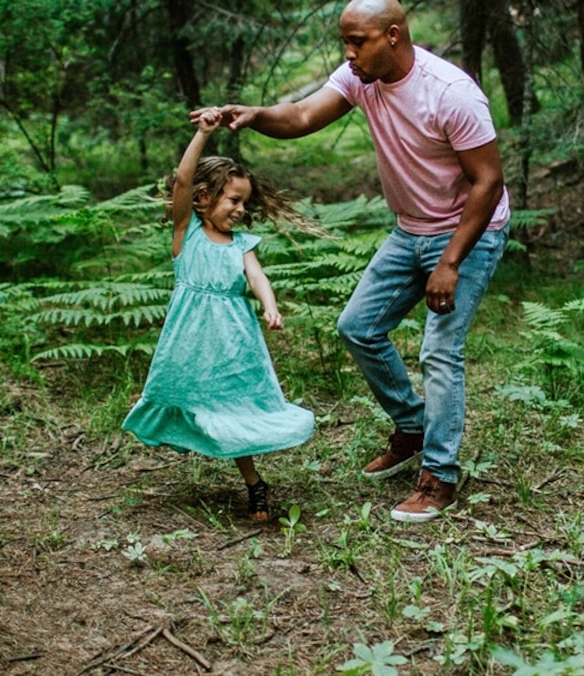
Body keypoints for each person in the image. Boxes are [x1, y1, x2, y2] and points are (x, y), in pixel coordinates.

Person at [209, 0, 510, 522]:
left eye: (357, 42)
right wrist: (256, 117)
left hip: (468, 231)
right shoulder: (360, 78)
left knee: (439, 351)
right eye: (344, 42)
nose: (347, 54)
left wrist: (450, 262)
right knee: (358, 327)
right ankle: (414, 426)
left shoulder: (451, 94)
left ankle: (440, 477)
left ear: (392, 36)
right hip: (410, 229)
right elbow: (302, 115)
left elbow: (489, 182)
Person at [122, 108, 314, 522]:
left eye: (245, 202)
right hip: (190, 344)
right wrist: (203, 136)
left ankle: (254, 484)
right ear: (204, 197)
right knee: (191, 404)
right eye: (234, 199)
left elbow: (256, 274)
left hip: (233, 344)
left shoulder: (241, 242)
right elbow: (183, 180)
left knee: (235, 410)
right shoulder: (185, 233)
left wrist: (270, 304)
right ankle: (209, 452)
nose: (242, 209)